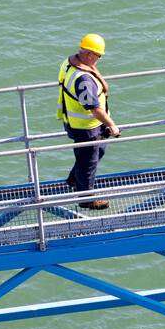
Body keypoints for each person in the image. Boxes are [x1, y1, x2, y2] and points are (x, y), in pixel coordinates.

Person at [57, 34, 121, 209]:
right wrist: (111, 125)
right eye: (98, 56)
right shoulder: (84, 79)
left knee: (96, 152)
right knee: (88, 162)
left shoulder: (69, 62)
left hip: (78, 122)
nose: (99, 60)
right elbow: (94, 108)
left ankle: (73, 180)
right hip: (86, 127)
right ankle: (86, 199)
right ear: (90, 55)